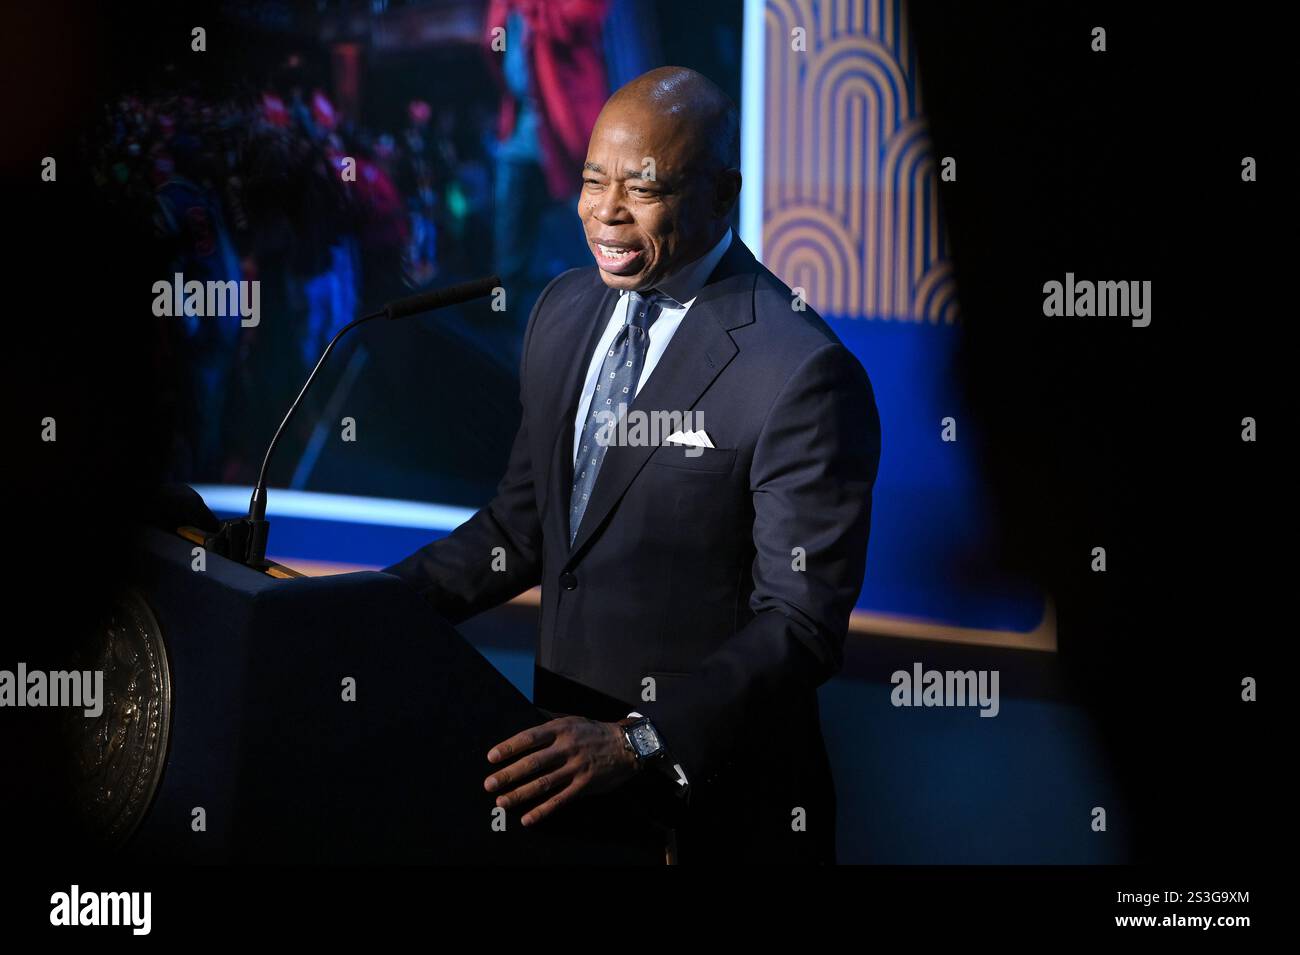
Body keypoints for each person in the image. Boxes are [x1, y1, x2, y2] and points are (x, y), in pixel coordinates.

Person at [384, 66, 881, 864]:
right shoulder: (562, 310)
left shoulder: (800, 369)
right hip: (569, 799)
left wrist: (638, 741)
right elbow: (525, 525)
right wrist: (371, 603)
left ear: (723, 193)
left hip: (713, 816)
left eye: (642, 188)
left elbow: (799, 624)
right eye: (591, 180)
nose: (604, 212)